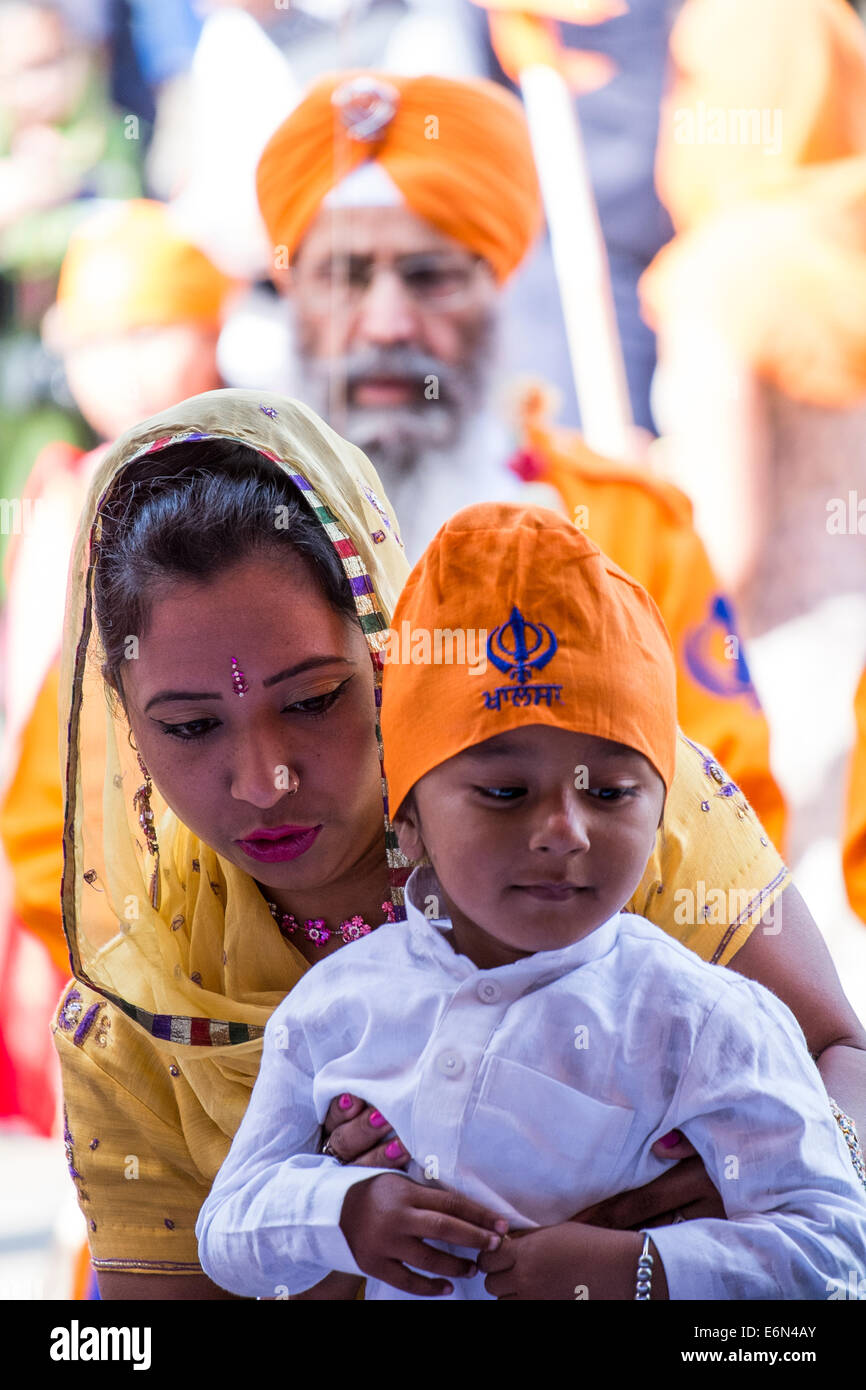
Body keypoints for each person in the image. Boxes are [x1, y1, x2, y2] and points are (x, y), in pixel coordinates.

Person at [52, 390, 865, 1300]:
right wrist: (336, 1231)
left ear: (387, 654)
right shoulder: (135, 1015)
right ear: (128, 731)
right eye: (192, 728)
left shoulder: (605, 809)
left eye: (313, 700)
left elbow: (840, 1066)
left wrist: (685, 1234)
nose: (263, 780)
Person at [256, 68, 787, 851]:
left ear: (497, 290)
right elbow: (71, 830)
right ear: (290, 291)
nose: (388, 323)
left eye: (430, 276)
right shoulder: (196, 527)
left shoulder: (624, 528)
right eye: (344, 276)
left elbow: (731, 822)